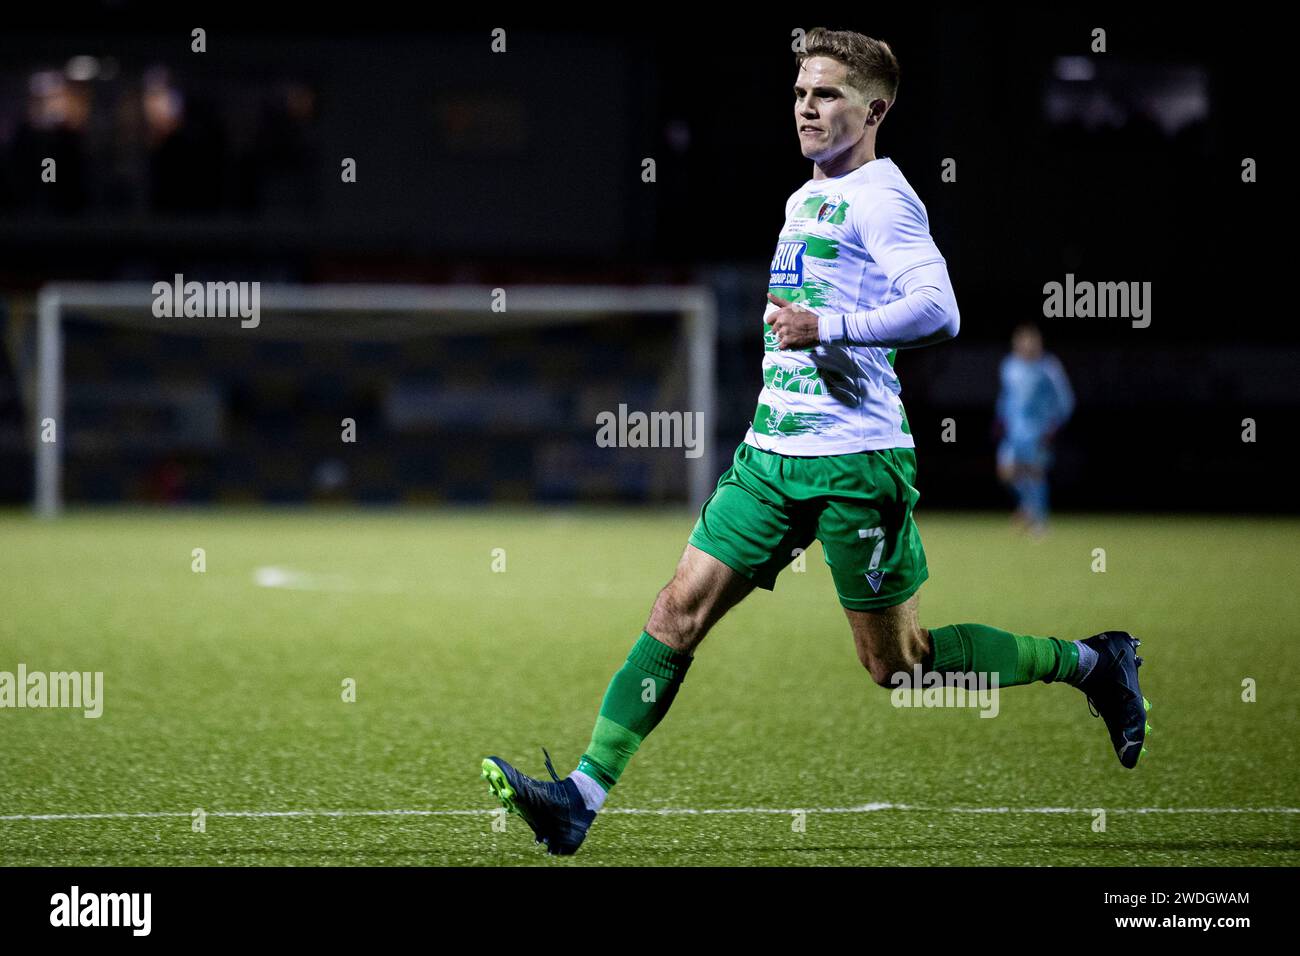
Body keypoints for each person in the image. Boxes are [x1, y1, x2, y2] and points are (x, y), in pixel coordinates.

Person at [483, 28, 1148, 856]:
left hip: (854, 462)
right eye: (800, 92)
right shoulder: (805, 198)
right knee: (675, 610)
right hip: (771, 457)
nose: (806, 106)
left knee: (898, 667)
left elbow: (940, 310)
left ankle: (1091, 662)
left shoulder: (883, 195)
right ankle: (581, 795)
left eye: (826, 93)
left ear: (874, 109)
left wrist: (826, 325)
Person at [995, 323, 1075, 534]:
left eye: (1030, 341)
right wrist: (1000, 419)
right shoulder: (1009, 366)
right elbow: (1006, 397)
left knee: (1035, 473)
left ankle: (1040, 522)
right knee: (1006, 471)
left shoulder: (1048, 368)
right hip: (1014, 432)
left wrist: (1053, 426)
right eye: (1021, 340)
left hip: (1038, 431)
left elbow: (1065, 401)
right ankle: (1028, 506)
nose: (1025, 345)